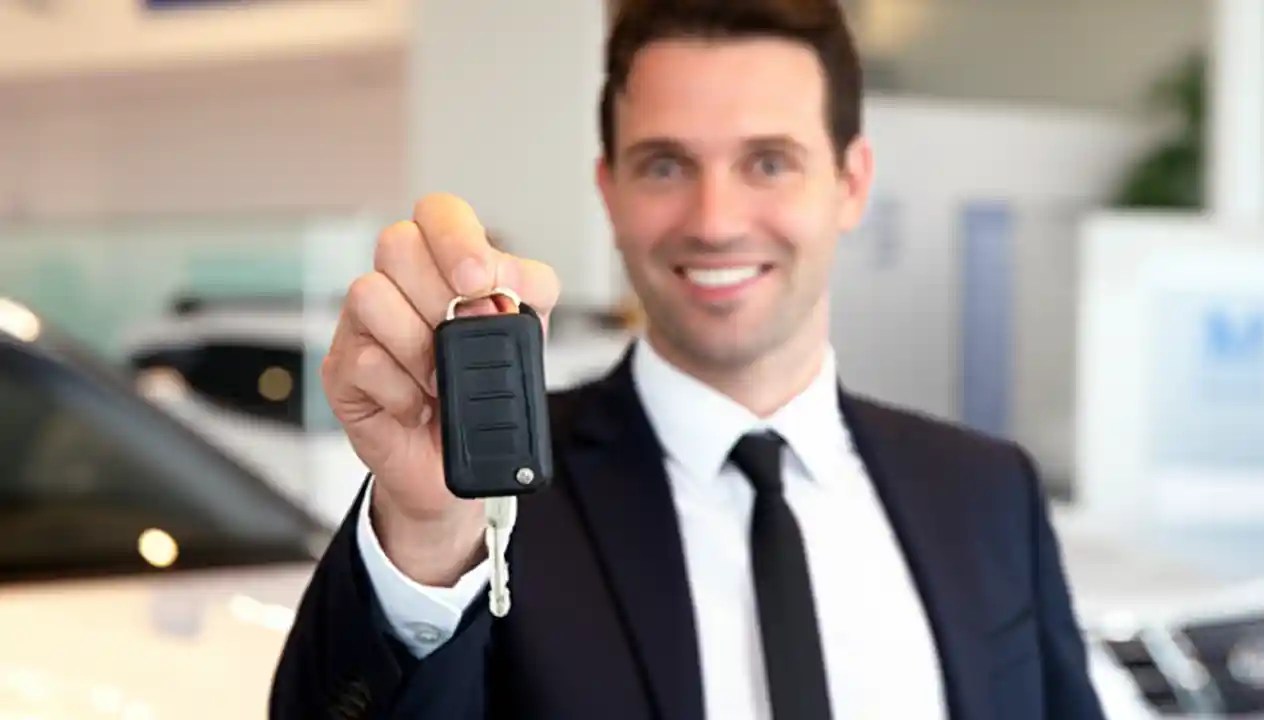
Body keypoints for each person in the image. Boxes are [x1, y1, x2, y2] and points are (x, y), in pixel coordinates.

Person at [270, 1, 1109, 718]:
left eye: (768, 162)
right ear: (610, 189)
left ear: (851, 183)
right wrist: (424, 531)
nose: (714, 219)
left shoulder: (985, 491)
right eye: (666, 164)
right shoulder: (491, 504)